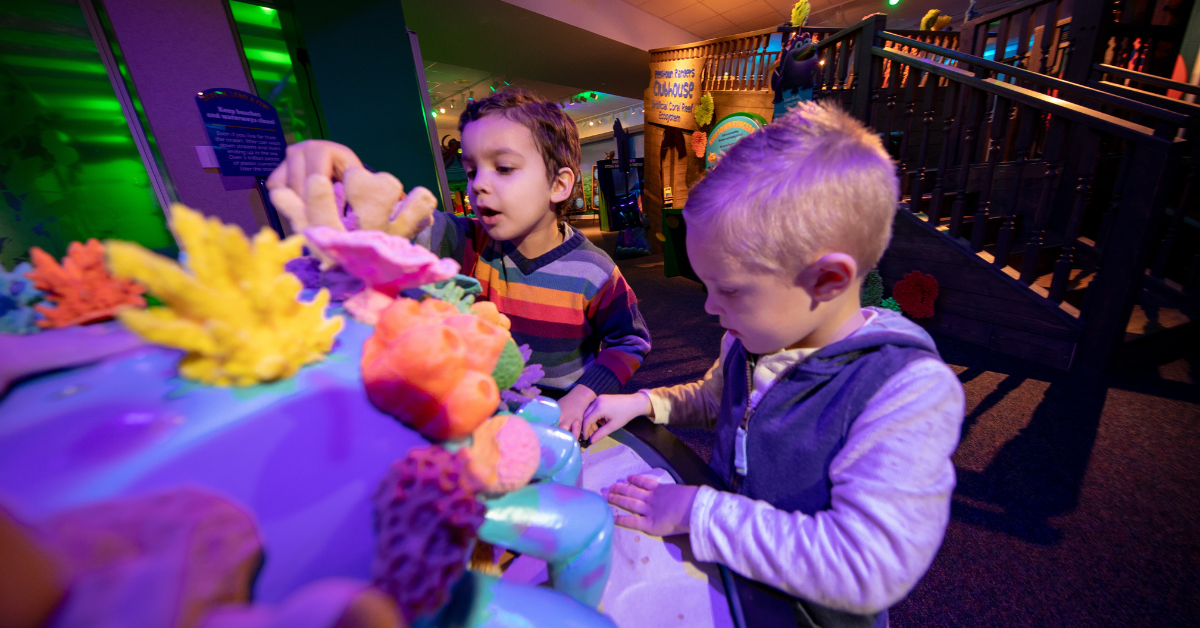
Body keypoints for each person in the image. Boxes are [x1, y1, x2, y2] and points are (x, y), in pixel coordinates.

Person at [580, 101, 964, 627]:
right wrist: (644, 401)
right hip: (734, 579)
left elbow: (866, 565)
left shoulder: (905, 389)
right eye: (706, 287)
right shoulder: (752, 336)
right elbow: (720, 400)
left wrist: (698, 512)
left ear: (827, 280)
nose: (710, 308)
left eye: (730, 290)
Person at [267, 88, 650, 436]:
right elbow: (394, 218)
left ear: (559, 185)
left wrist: (583, 396)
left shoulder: (596, 270)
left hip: (559, 422)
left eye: (502, 168)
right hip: (480, 415)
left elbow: (629, 340)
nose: (478, 183)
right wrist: (346, 170)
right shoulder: (466, 240)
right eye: (471, 170)